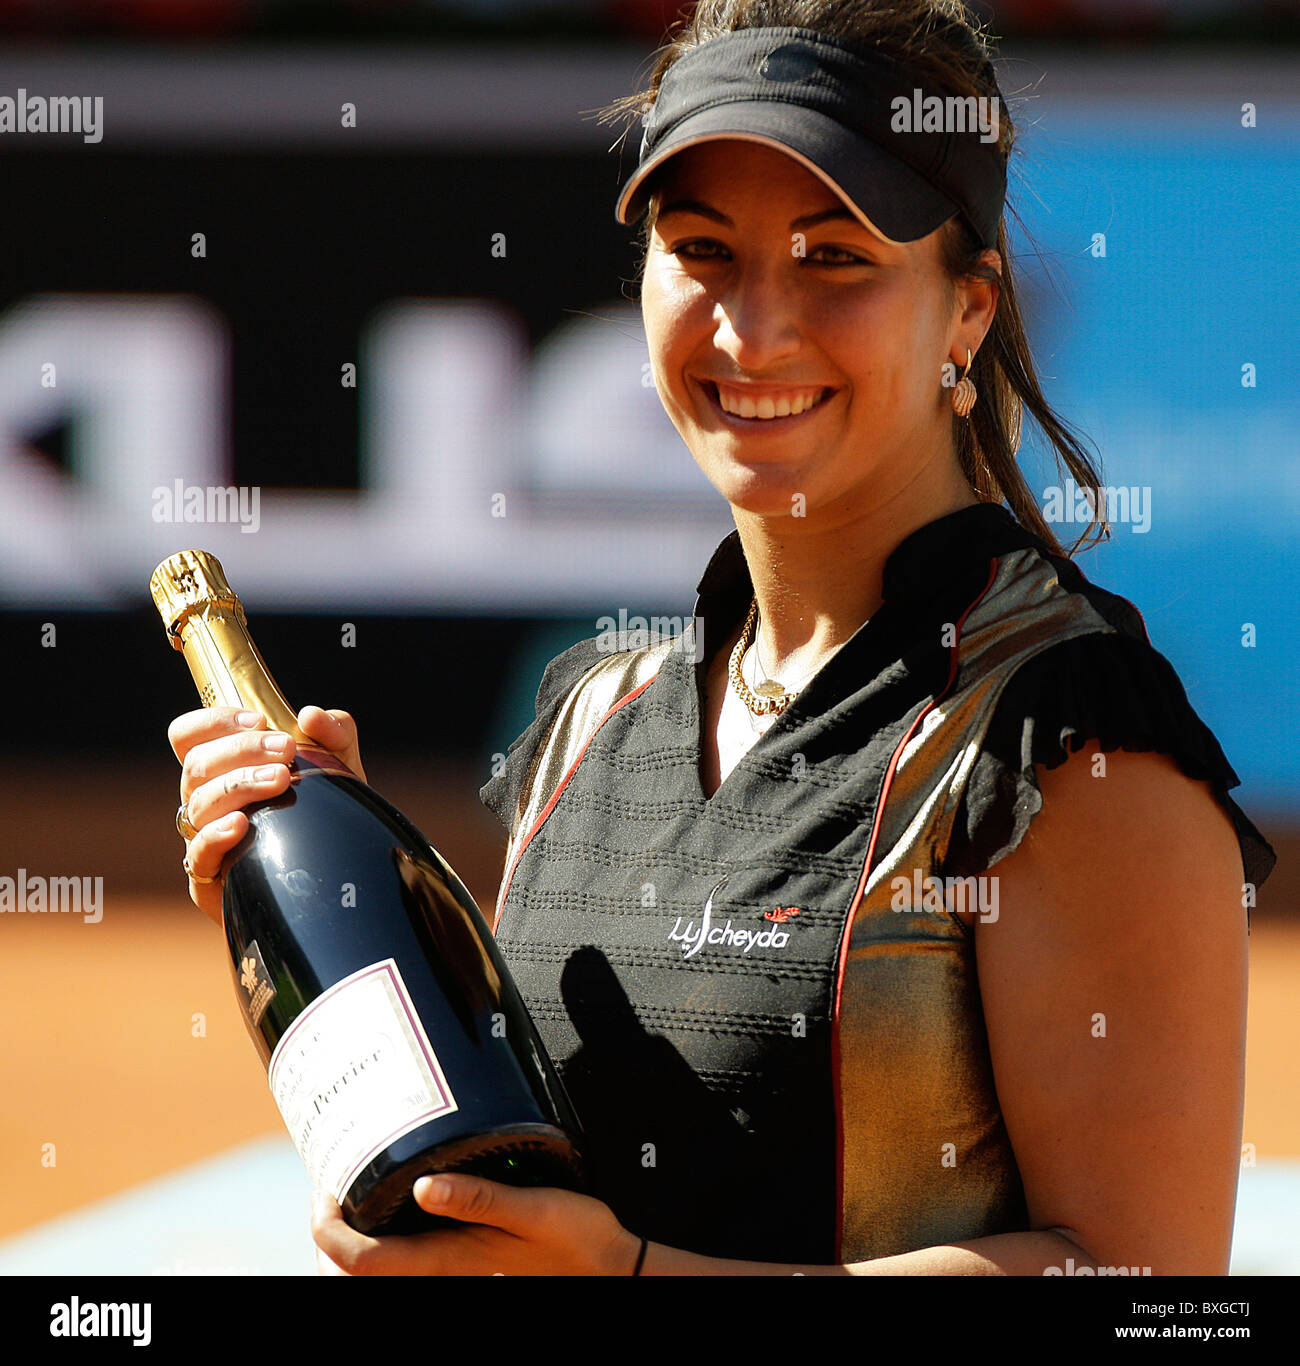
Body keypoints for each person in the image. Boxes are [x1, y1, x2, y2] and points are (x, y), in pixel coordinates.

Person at [168, 0, 1276, 1275]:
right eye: (702, 251)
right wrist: (359, 913)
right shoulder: (594, 710)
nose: (754, 328)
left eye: (834, 258)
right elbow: (557, 1178)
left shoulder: (1065, 741)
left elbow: (1145, 1285)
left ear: (966, 314)